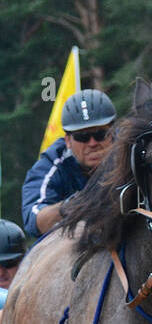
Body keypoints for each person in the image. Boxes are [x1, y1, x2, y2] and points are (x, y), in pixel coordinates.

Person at [21, 89, 117, 239]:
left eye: (100, 134)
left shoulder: (130, 149)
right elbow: (34, 220)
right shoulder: (52, 163)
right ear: (68, 141)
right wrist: (77, 204)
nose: (92, 143)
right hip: (74, 241)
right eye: (82, 136)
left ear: (112, 132)